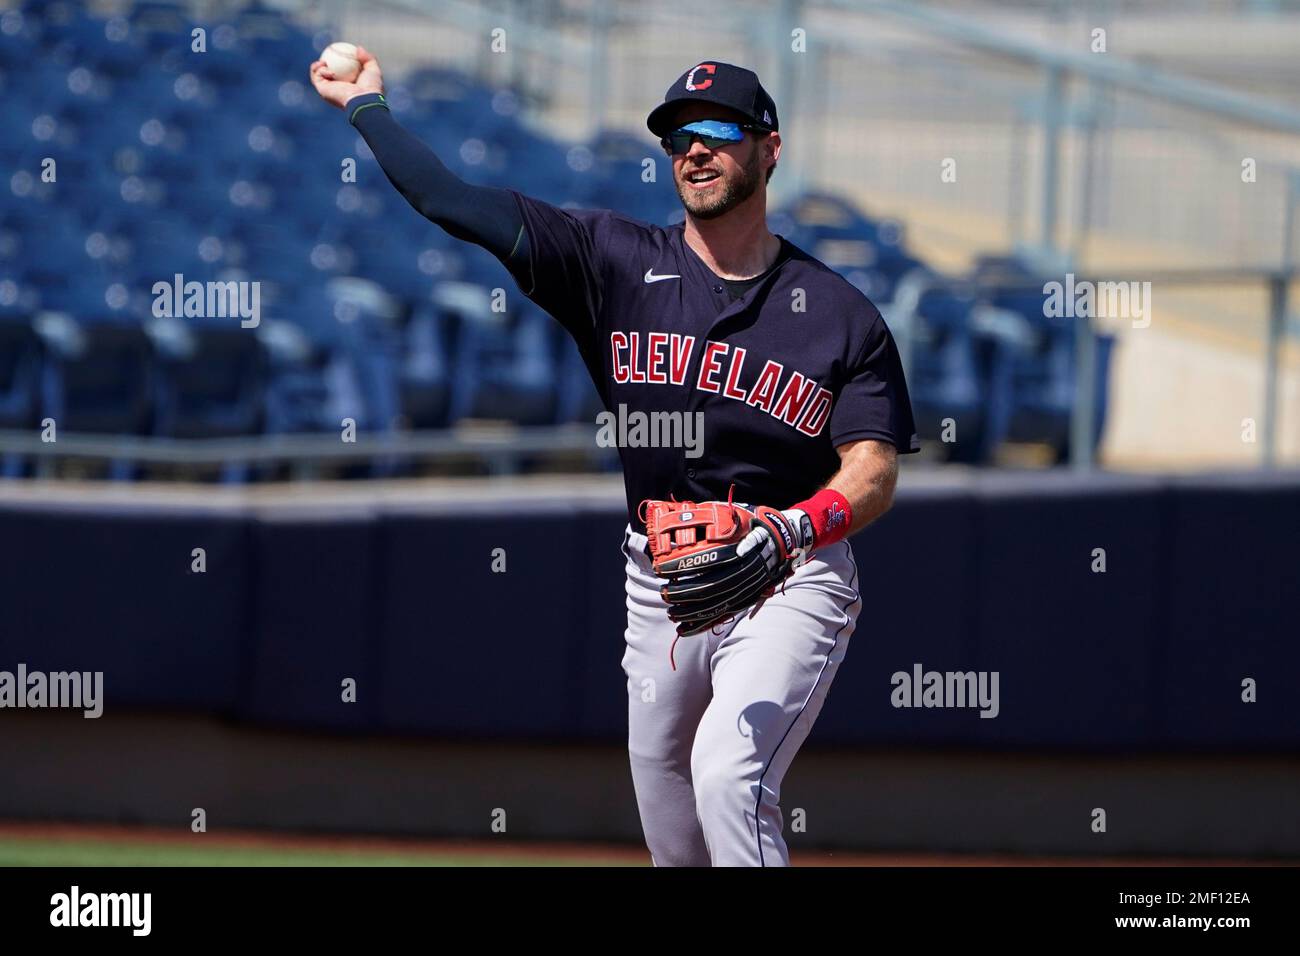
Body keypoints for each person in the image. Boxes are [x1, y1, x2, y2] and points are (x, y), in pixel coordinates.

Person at [311, 51, 919, 866]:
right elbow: (446, 198)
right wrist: (368, 107)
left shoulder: (839, 314)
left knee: (729, 776)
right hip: (658, 579)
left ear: (769, 148)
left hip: (787, 573)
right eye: (675, 136)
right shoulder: (611, 260)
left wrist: (794, 531)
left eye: (715, 131)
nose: (693, 149)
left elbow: (873, 468)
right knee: (674, 838)